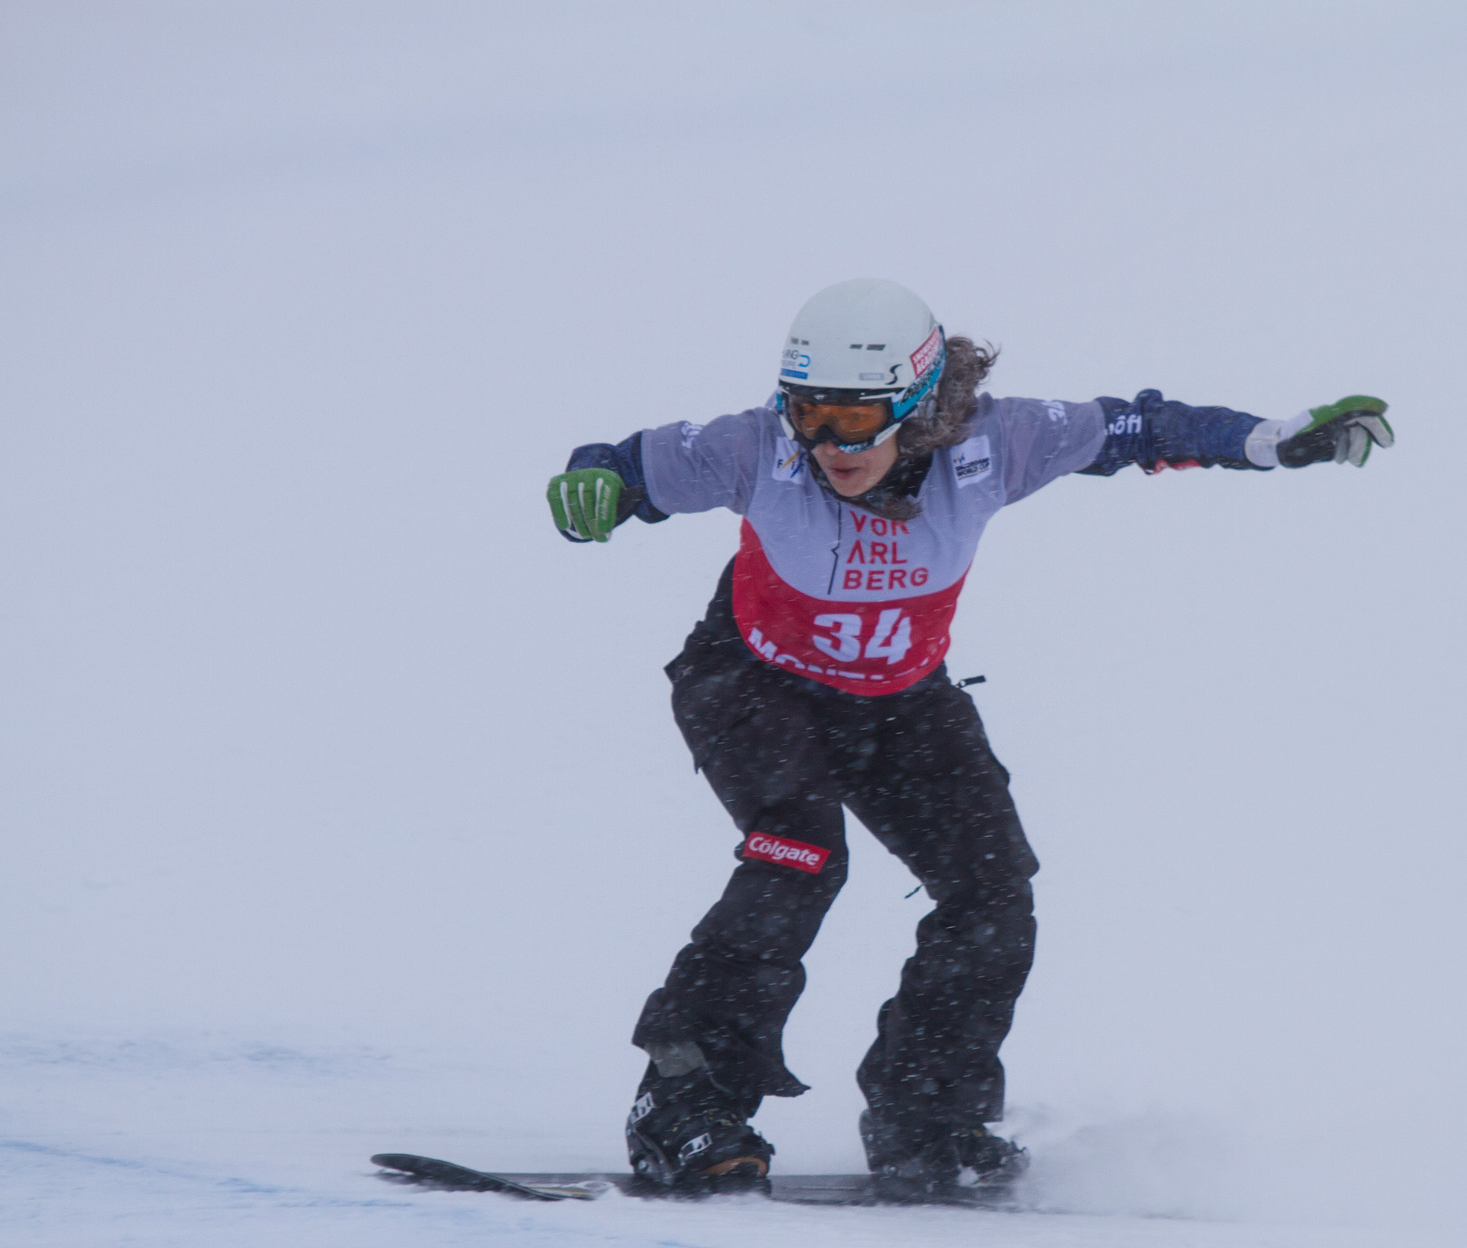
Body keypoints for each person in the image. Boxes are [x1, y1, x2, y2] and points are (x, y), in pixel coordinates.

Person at [548, 279, 1393, 1194]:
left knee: (991, 887)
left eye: (854, 417)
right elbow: (626, 464)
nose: (829, 443)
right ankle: (682, 1107)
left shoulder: (996, 444)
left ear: (913, 404)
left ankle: (925, 1110)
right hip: (752, 682)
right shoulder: (757, 449)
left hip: (899, 698)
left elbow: (1136, 429)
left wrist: (1263, 442)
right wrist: (596, 479)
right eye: (808, 412)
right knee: (797, 850)